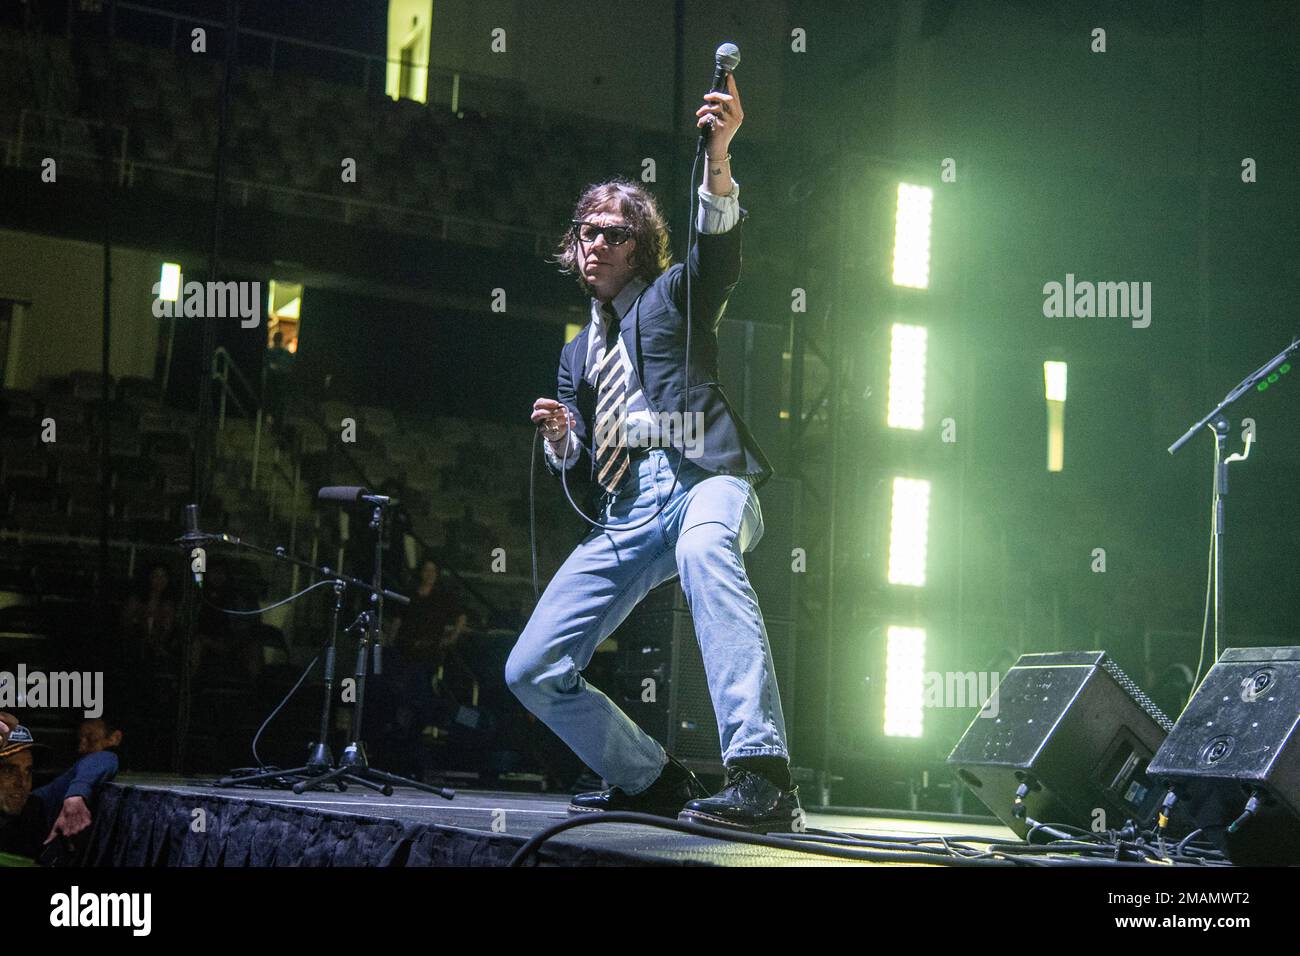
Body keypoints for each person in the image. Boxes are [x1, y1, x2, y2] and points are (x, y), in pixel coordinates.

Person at [510, 74, 798, 832]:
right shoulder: (576, 357)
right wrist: (563, 442)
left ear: (642, 249)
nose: (597, 242)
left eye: (615, 231)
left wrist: (720, 154)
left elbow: (720, 255)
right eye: (588, 232)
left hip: (704, 479)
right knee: (529, 669)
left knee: (707, 553)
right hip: (627, 511)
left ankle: (764, 776)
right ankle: (649, 779)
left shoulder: (674, 295)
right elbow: (572, 458)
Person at [0, 722, 119, 862]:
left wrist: (76, 795)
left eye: (28, 771)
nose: (22, 782)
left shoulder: (36, 804)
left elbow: (104, 758)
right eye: (9, 771)